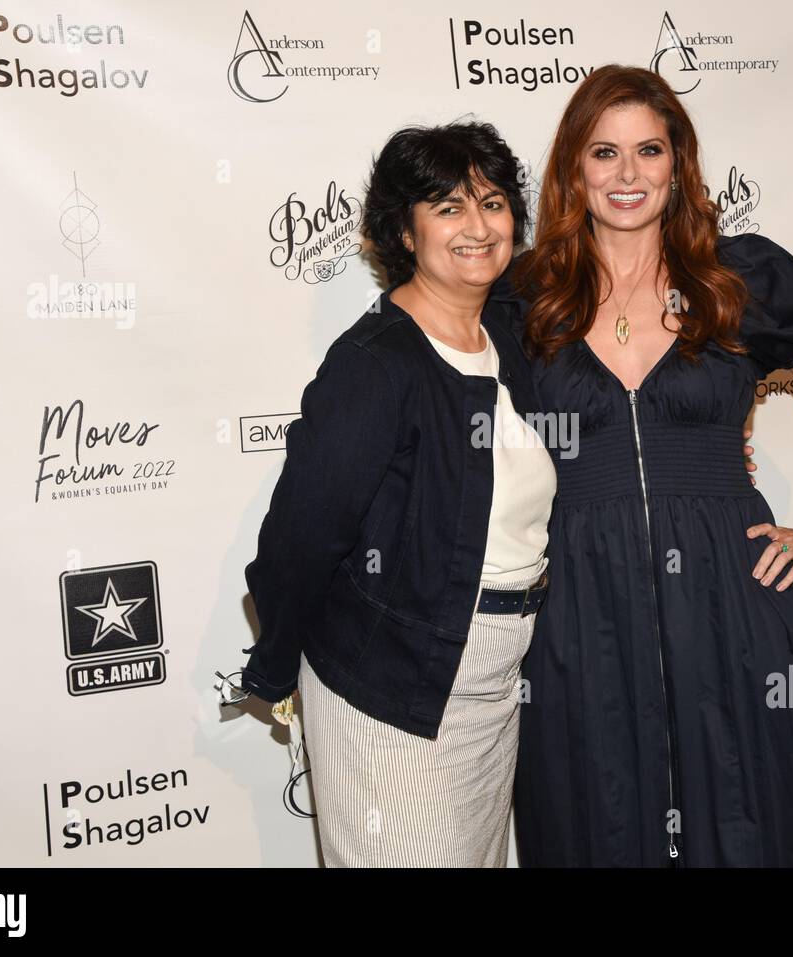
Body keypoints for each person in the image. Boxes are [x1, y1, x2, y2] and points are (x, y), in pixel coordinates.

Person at [492, 65, 793, 866]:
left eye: (649, 151)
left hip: (729, 599)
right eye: (604, 153)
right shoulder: (525, 299)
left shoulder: (736, 278)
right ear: (574, 169)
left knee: (748, 820)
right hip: (579, 606)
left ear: (679, 164)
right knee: (593, 820)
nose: (627, 174)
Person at [238, 121, 556, 867]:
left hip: (497, 679)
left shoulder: (508, 332)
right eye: (447, 207)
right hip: (392, 683)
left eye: (492, 201)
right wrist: (275, 663)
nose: (478, 225)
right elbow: (300, 537)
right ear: (405, 234)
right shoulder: (374, 365)